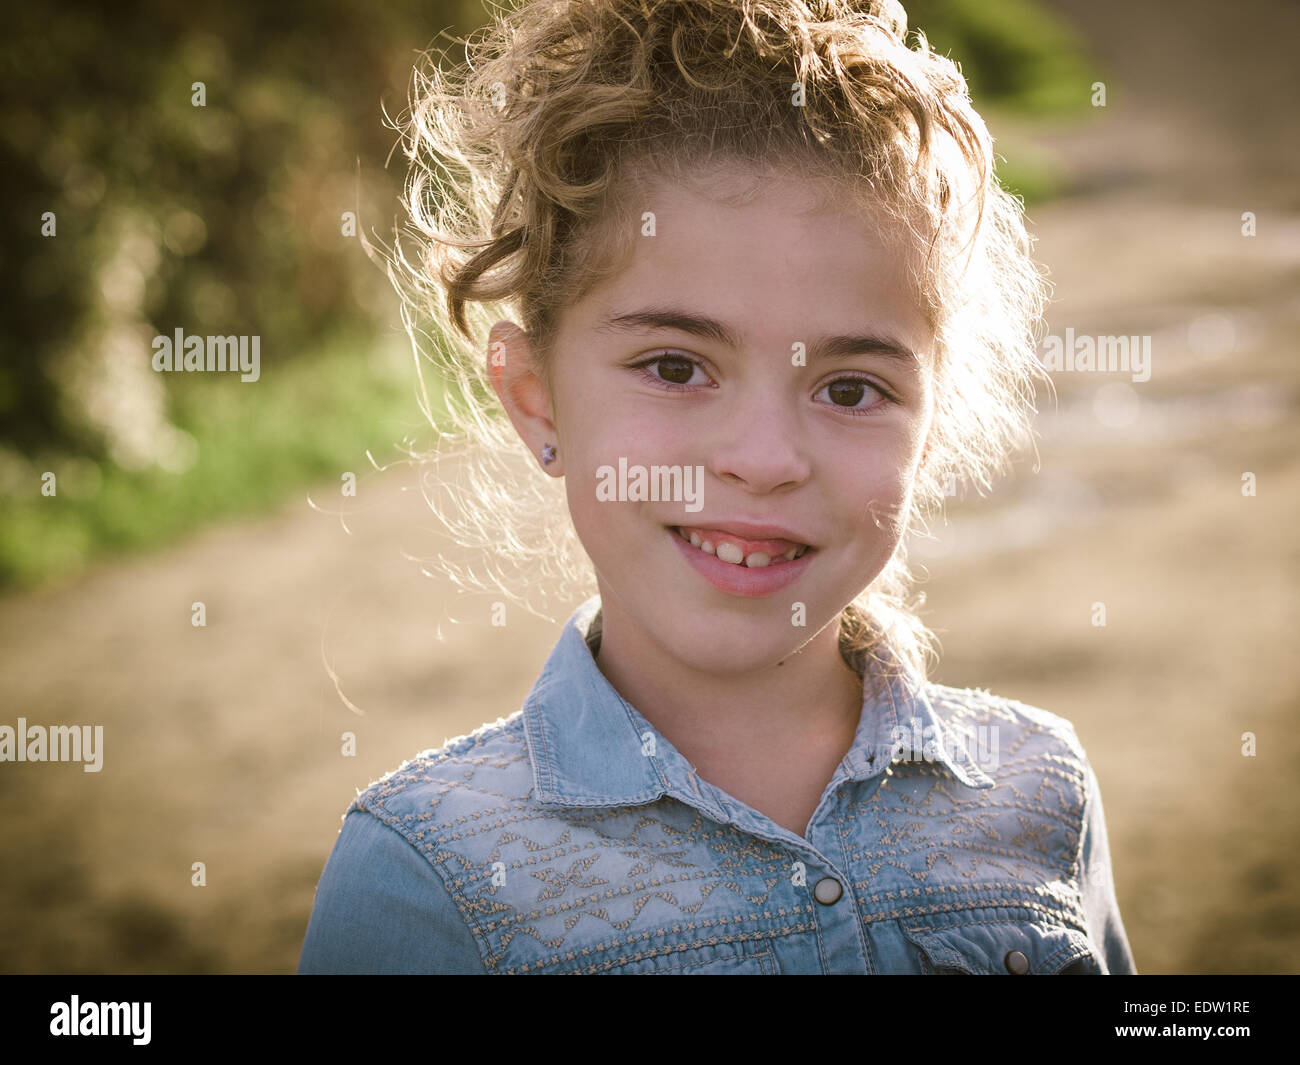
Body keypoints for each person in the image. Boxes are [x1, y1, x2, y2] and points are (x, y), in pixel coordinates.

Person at [298, 0, 1136, 974]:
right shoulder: (425, 876)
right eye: (674, 367)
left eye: (851, 388)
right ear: (537, 401)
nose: (765, 457)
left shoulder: (1037, 796)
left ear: (931, 423)